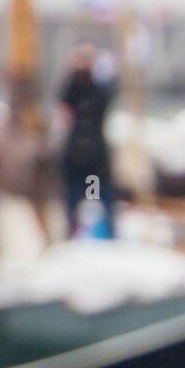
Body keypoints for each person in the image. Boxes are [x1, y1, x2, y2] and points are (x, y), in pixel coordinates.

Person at [57, 44, 116, 235]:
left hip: (93, 162)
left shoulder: (98, 90)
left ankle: (99, 235)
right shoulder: (72, 89)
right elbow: (64, 103)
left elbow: (106, 96)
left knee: (95, 200)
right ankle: (73, 234)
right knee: (73, 204)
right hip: (76, 161)